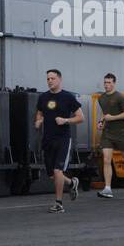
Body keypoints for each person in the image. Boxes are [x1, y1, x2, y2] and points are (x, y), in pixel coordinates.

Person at [34, 69, 84, 213]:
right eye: (48, 79)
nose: (50, 81)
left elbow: (81, 117)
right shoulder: (43, 97)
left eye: (53, 78)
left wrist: (66, 120)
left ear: (60, 79)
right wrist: (38, 121)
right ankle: (72, 182)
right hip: (47, 140)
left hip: (62, 139)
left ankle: (59, 203)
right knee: (52, 175)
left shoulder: (68, 97)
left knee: (57, 171)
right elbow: (39, 113)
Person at [95, 73, 124, 198]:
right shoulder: (101, 98)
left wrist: (112, 118)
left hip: (121, 133)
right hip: (107, 133)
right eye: (105, 82)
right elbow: (105, 115)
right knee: (106, 159)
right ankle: (108, 188)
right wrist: (101, 122)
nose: (106, 85)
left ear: (114, 83)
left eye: (109, 82)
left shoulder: (119, 97)